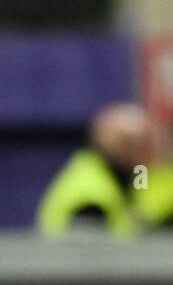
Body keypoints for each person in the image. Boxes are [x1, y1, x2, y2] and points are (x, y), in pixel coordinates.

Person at [37, 102, 150, 238]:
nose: (139, 151)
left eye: (144, 143)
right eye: (130, 142)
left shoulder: (127, 174)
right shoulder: (91, 196)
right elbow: (87, 253)